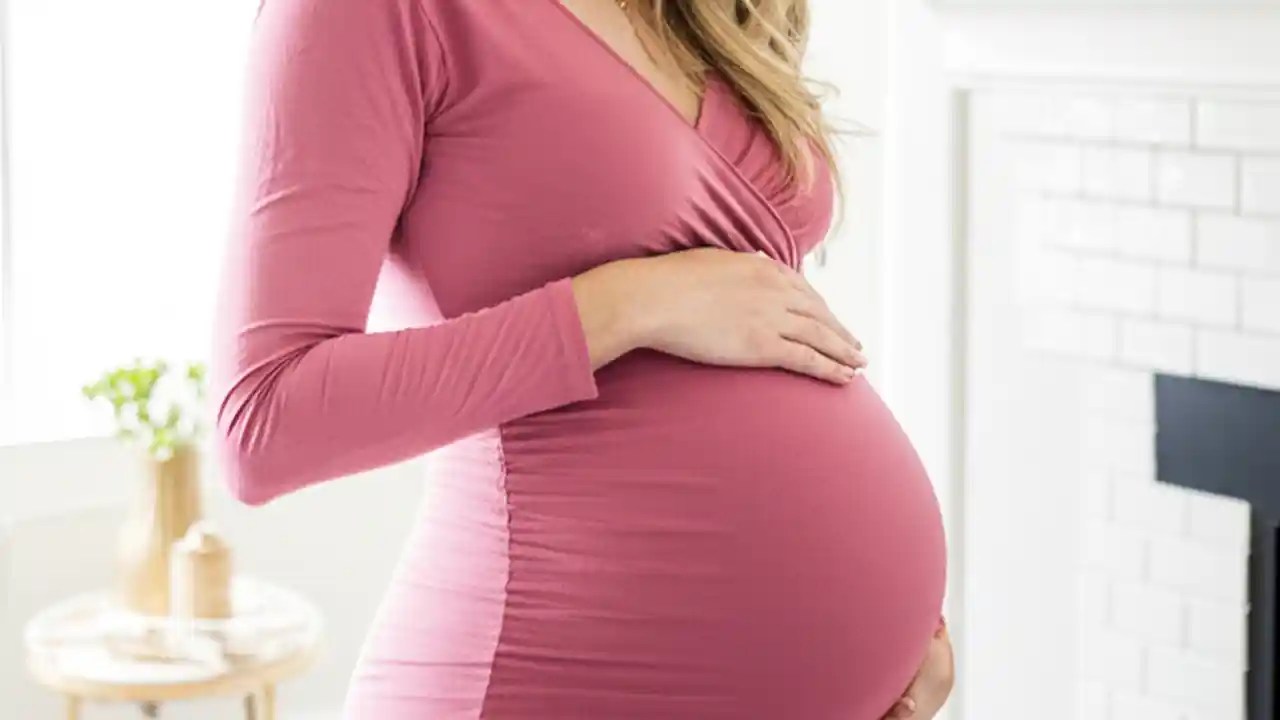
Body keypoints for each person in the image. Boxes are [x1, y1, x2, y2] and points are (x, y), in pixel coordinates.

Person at [211, 0, 954, 717]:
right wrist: (628, 305)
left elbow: (748, 325)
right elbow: (266, 423)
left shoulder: (703, 12)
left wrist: (888, 632)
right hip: (546, 676)